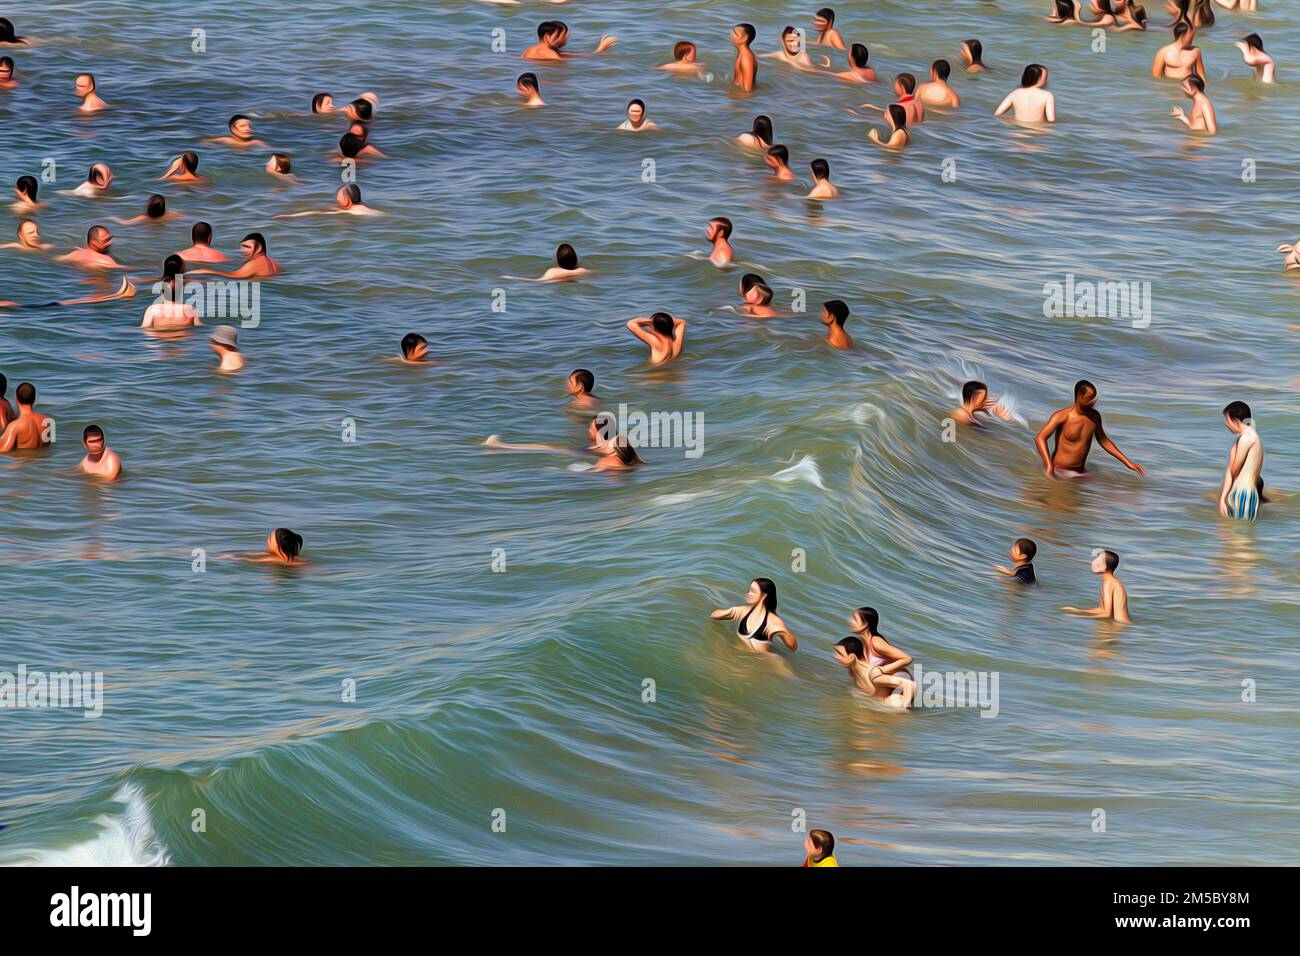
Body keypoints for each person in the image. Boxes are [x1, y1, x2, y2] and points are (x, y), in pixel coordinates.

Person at [1035, 380, 1146, 479]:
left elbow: (1104, 441)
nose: (1093, 401)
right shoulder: (1062, 416)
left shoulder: (1095, 417)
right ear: (1079, 397)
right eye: (1089, 398)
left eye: (1094, 398)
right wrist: (1049, 465)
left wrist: (1128, 463)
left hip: (1080, 473)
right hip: (1060, 471)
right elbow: (1040, 438)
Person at [835, 607, 916, 707]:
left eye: (855, 619)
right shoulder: (864, 643)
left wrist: (882, 669)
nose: (850, 621)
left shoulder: (876, 642)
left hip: (901, 679)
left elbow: (907, 658)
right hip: (888, 682)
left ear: (865, 625)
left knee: (874, 675)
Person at [710, 578, 798, 653]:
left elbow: (793, 647)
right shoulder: (743, 611)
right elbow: (713, 615)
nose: (748, 594)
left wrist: (783, 632)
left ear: (763, 595)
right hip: (740, 656)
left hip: (763, 662)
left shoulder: (773, 621)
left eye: (753, 591)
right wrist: (731, 612)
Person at [1218, 401, 1263, 520]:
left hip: (1244, 494)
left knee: (1238, 536)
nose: (1226, 424)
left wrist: (1223, 497)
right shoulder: (1246, 438)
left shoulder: (1247, 438)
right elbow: (1231, 470)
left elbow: (1233, 469)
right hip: (1241, 493)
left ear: (1236, 421)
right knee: (1232, 535)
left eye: (1227, 420)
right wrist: (1223, 498)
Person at [1062, 550, 1130, 623]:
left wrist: (1079, 617)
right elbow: (1103, 610)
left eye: (1097, 561)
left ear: (1103, 568)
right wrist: (1078, 610)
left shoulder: (1109, 583)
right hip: (1119, 625)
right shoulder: (1110, 581)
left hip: (1119, 626)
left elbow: (1107, 614)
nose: (1092, 562)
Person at [142, 255, 202, 331]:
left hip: (159, 341)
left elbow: (144, 329)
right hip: (184, 340)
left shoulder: (153, 310)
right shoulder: (190, 309)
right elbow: (200, 328)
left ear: (161, 292)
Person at [189, 232, 279, 279]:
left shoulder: (255, 263)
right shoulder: (274, 263)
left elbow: (232, 276)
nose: (242, 251)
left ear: (259, 248)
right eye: (241, 247)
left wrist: (202, 270)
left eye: (247, 247)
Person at [521, 21, 616, 60]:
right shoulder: (551, 54)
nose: (565, 39)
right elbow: (573, 61)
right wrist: (598, 54)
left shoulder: (528, 50)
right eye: (562, 36)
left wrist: (597, 51)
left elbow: (570, 54)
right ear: (547, 37)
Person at [0, 382, 51, 451]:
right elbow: (49, 445)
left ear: (16, 399)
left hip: (23, 461)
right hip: (43, 460)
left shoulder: (15, 426)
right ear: (34, 399)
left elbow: (4, 451)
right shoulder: (48, 421)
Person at [227, 529, 306, 566]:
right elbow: (262, 553)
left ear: (279, 546)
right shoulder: (291, 557)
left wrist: (233, 557)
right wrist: (243, 553)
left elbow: (251, 561)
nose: (267, 541)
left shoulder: (276, 559)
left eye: (270, 539)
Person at [58, 226, 122, 270]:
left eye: (110, 239)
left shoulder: (75, 253)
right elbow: (123, 269)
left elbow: (58, 260)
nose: (110, 242)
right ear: (93, 242)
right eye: (106, 240)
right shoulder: (105, 260)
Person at [732, 23, 758, 92]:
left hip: (741, 100)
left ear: (744, 38)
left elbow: (747, 90)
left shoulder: (746, 58)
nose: (731, 35)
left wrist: (739, 101)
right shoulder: (742, 54)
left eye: (735, 33)